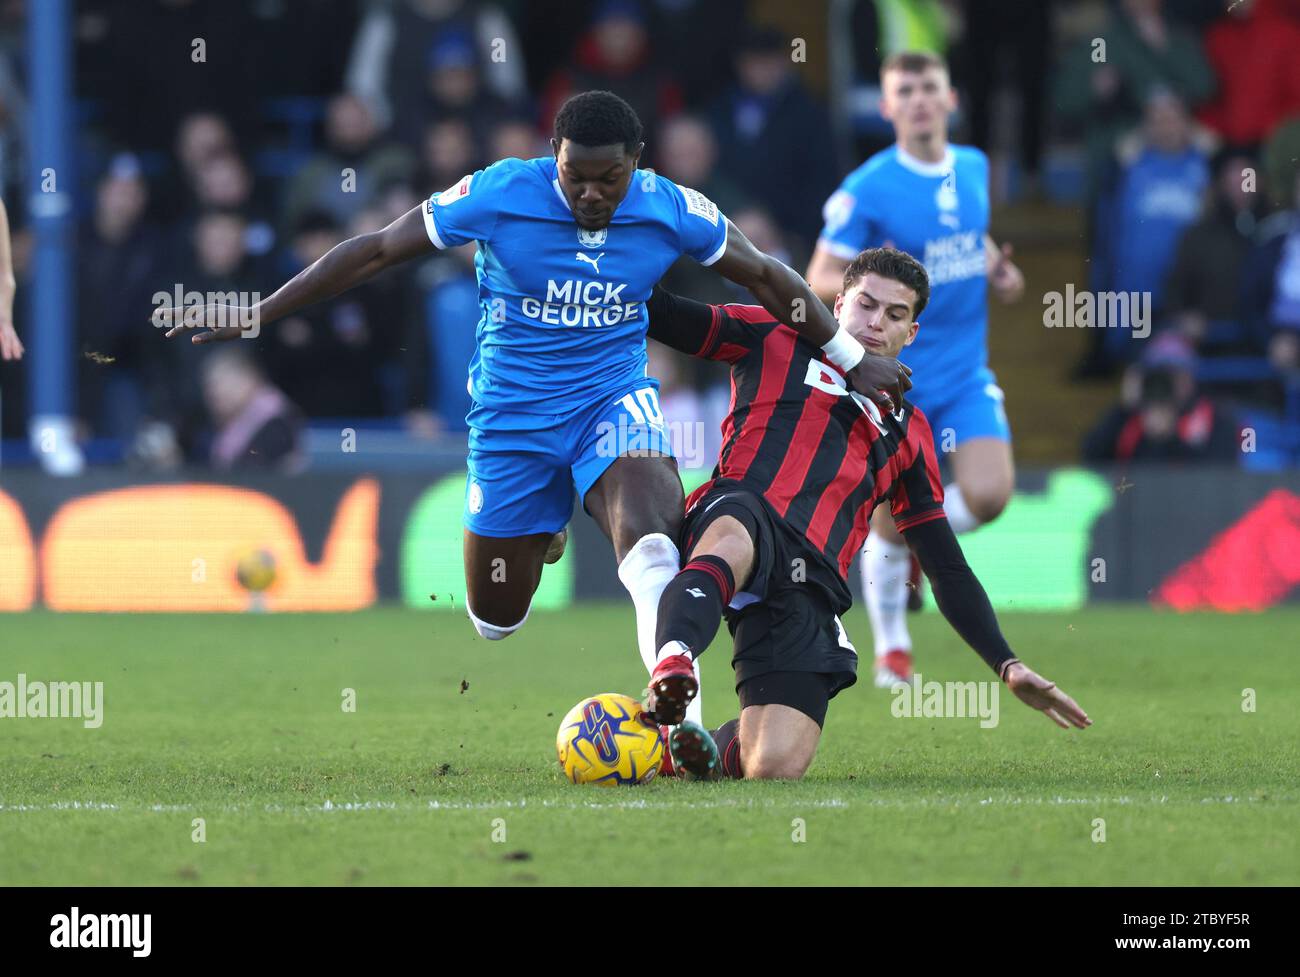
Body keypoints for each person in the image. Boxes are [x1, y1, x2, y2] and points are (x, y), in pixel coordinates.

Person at [160, 90, 910, 733]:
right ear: (551, 155)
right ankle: (546, 525)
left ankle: (676, 712)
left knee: (652, 544)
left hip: (613, 401)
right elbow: (378, 251)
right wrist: (261, 309)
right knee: (496, 618)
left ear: (637, 162)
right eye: (575, 176)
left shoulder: (670, 208)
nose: (590, 194)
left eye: (608, 179)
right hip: (513, 423)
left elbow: (769, 276)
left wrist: (849, 353)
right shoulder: (497, 192)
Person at [644, 249, 1090, 780]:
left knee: (775, 767)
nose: (876, 323)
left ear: (912, 332)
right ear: (838, 303)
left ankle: (714, 750)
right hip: (744, 507)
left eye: (894, 315)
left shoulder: (910, 430)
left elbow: (945, 566)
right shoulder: (772, 332)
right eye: (866, 305)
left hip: (811, 578)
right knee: (733, 540)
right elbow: (666, 314)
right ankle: (674, 662)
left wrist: (1007, 664)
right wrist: (598, 263)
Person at [805, 50, 1023, 688]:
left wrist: (996, 268)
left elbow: (968, 238)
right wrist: (877, 276)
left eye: (930, 87)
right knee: (885, 514)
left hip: (964, 373)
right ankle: (892, 648)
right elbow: (820, 277)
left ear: (951, 98)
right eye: (906, 90)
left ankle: (915, 554)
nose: (920, 99)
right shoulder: (868, 188)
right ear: (887, 107)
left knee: (990, 496)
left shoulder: (977, 167)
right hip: (891, 378)